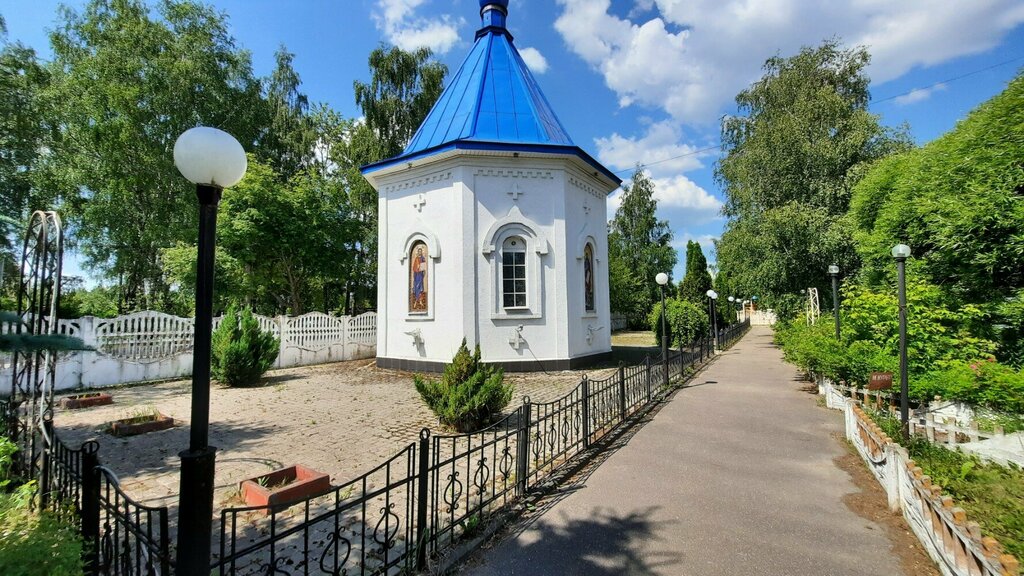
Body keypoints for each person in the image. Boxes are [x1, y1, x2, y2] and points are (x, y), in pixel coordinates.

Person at [412, 245, 426, 310]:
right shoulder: (416, 258)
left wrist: (423, 272)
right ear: (418, 252)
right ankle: (416, 301)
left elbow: (423, 267)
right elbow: (414, 267)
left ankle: (419, 301)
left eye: (421, 251)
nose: (420, 252)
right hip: (416, 275)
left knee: (420, 287)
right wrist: (416, 268)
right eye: (419, 251)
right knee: (416, 287)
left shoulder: (423, 258)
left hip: (420, 275)